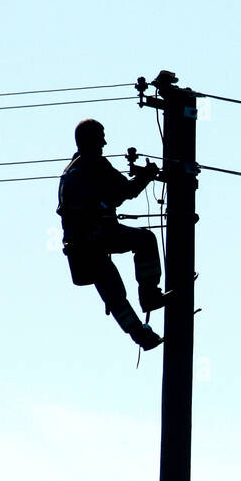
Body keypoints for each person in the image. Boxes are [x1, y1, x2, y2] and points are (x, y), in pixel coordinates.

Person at [57, 119, 166, 350]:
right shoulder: (94, 164)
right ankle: (149, 295)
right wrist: (147, 175)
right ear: (92, 140)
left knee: (114, 295)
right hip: (98, 237)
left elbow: (111, 197)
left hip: (79, 249)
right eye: (101, 137)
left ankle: (141, 336)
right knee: (145, 240)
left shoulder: (70, 171)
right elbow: (126, 191)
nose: (105, 142)